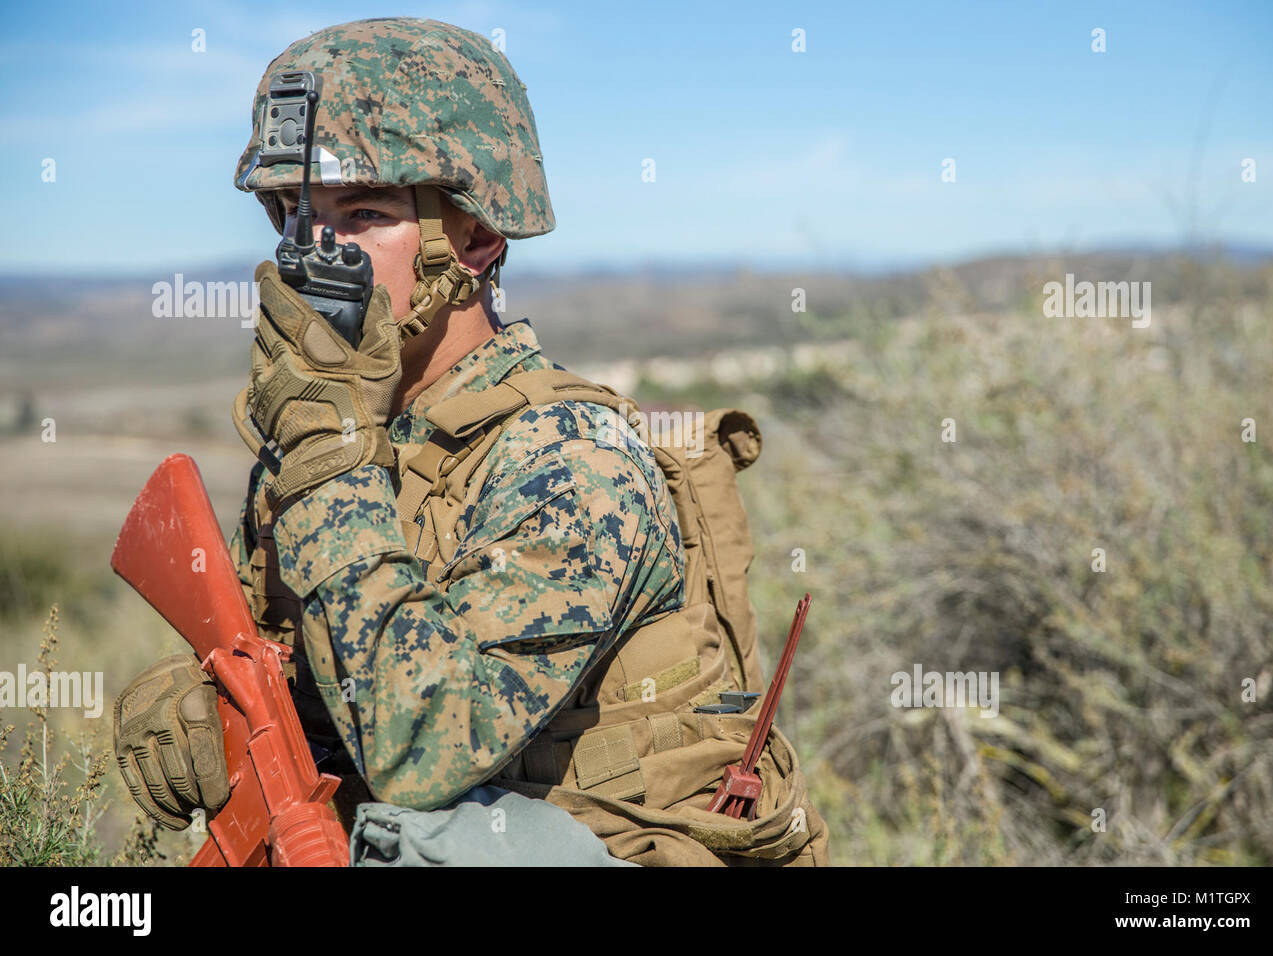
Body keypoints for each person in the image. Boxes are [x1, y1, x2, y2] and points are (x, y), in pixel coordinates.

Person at [114, 17, 827, 866]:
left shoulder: (574, 461)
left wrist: (325, 450)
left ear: (477, 240)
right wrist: (207, 698)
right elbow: (305, 670)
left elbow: (417, 746)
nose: (313, 256)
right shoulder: (338, 433)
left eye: (364, 215)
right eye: (294, 219)